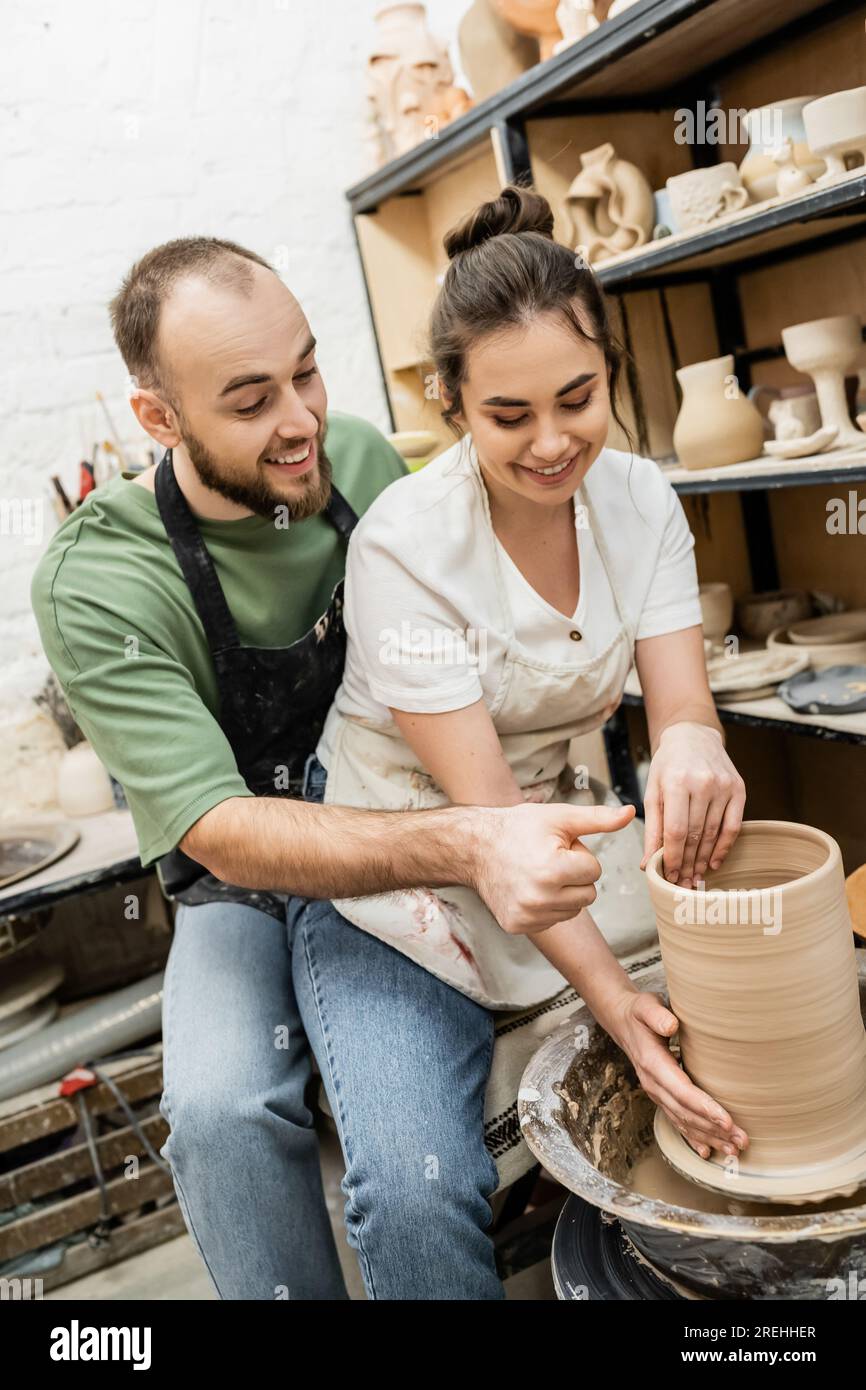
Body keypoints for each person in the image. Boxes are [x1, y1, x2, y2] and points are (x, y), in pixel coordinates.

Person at [31, 234, 632, 1301]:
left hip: (412, 818)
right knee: (222, 1113)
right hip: (246, 885)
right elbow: (217, 828)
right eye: (251, 400)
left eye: (306, 370)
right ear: (158, 420)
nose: (301, 421)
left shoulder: (355, 460)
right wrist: (472, 840)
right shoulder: (99, 580)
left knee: (423, 1166)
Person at [315, 185, 751, 1198]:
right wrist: (619, 1014)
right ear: (450, 402)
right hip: (403, 859)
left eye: (578, 398)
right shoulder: (404, 546)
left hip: (547, 834)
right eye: (508, 415)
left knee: (733, 1014)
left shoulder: (640, 499)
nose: (551, 441)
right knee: (418, 1183)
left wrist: (694, 742)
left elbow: (680, 705)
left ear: (609, 371)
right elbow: (488, 823)